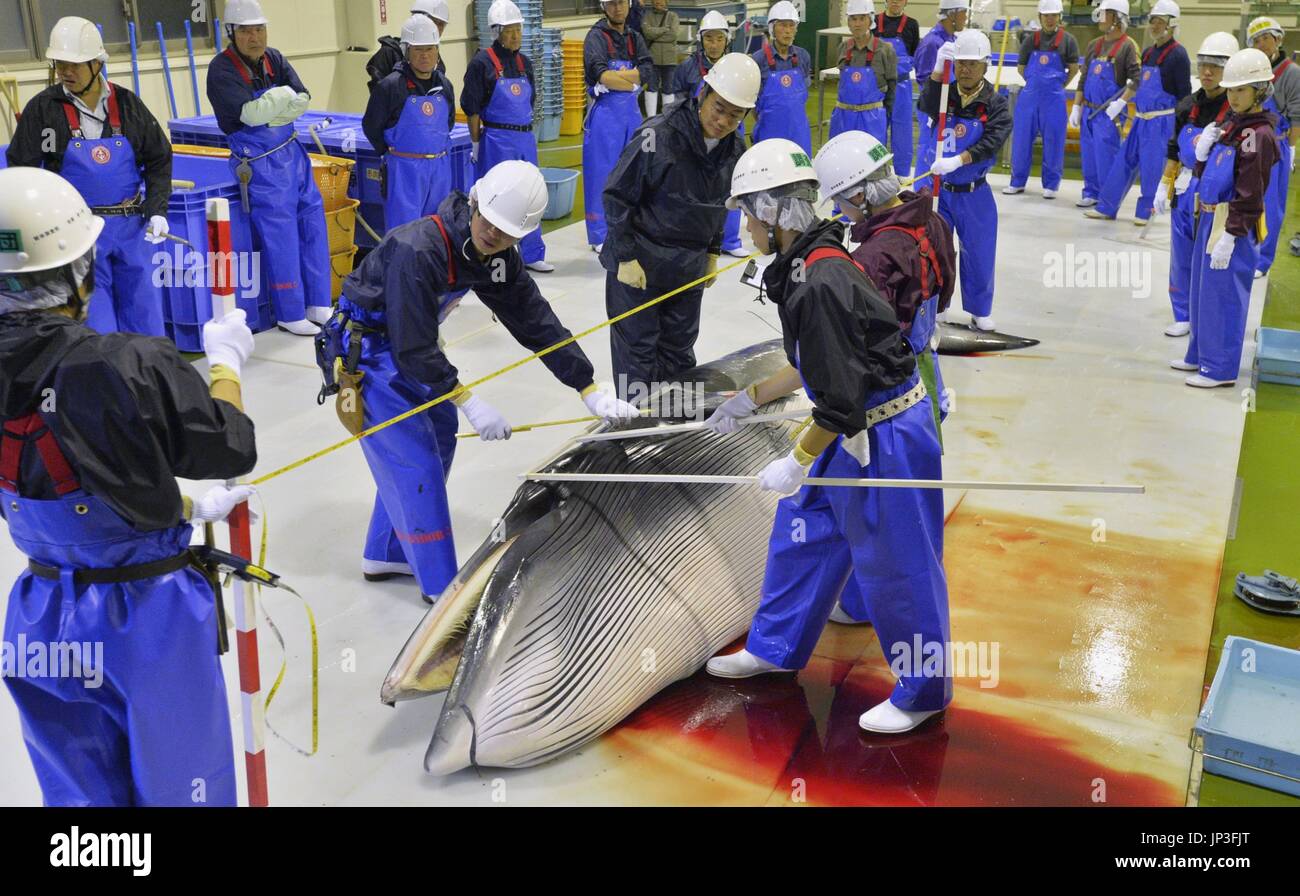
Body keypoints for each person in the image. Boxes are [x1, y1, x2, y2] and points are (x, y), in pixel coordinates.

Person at [0, 167, 258, 806]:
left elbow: (59, 478)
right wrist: (224, 366)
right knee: (184, 784)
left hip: (37, 617)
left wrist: (179, 503)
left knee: (80, 799)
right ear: (78, 273)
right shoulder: (128, 363)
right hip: (145, 616)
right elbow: (228, 444)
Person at [701, 139, 950, 736]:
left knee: (900, 565)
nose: (745, 226)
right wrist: (750, 398)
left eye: (748, 212)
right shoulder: (811, 263)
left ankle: (925, 689)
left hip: (882, 430)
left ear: (776, 212)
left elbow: (838, 403)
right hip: (853, 421)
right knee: (804, 531)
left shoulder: (819, 280)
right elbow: (821, 362)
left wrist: (794, 459)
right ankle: (775, 645)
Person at [321, 162, 638, 602]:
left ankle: (387, 553)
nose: (494, 236)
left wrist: (587, 386)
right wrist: (468, 400)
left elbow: (533, 319)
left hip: (410, 350)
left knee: (439, 438)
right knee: (416, 462)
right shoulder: (419, 249)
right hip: (371, 356)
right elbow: (413, 348)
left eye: (508, 234)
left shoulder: (493, 257)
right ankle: (443, 593)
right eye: (489, 223)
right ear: (475, 203)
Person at [813, 129, 954, 628]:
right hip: (925, 374)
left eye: (842, 205)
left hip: (886, 389)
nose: (842, 215)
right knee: (919, 497)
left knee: (878, 506)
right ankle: (901, 594)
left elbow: (857, 336)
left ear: (858, 195)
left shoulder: (875, 255)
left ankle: (864, 604)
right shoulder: (931, 221)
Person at [600, 54, 759, 395]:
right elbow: (616, 196)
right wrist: (625, 257)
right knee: (637, 361)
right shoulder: (657, 135)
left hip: (687, 268)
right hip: (638, 266)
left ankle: (671, 435)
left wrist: (713, 253)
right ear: (704, 93)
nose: (723, 120)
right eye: (719, 108)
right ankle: (635, 436)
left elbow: (719, 205)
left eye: (735, 114)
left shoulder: (733, 150)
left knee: (679, 356)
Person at [6, 17, 172, 338]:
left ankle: (150, 379)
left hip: (131, 228)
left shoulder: (128, 105)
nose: (66, 72)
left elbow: (159, 157)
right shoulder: (43, 109)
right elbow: (21, 170)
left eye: (75, 64)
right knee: (97, 326)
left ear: (97, 63)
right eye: (60, 64)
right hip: (78, 236)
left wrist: (157, 209)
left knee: (145, 314)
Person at [207, 0, 330, 336]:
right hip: (259, 163)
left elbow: (302, 98)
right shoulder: (222, 70)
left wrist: (274, 103)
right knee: (282, 234)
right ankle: (290, 312)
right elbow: (249, 115)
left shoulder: (274, 58)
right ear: (232, 33)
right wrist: (281, 99)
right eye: (246, 30)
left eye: (259, 29)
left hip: (293, 153)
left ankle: (319, 303)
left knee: (312, 222)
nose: (254, 36)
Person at [1171, 48, 1280, 388]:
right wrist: (1200, 158)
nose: (1232, 96)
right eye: (1230, 89)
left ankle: (1219, 369)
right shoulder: (1232, 125)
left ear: (1260, 91)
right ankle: (1198, 355)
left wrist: (1232, 234)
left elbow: (1250, 191)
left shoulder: (1258, 136)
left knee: (1223, 297)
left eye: (1240, 90)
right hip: (1208, 218)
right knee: (1202, 292)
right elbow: (1214, 171)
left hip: (1230, 224)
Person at [919, 29, 1011, 332]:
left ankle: (979, 309)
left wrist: (959, 160)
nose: (966, 69)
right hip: (940, 192)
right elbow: (926, 106)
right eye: (960, 63)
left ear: (985, 65)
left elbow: (992, 142)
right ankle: (938, 304)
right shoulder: (946, 93)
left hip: (974, 194)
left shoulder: (995, 105)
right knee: (937, 250)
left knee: (980, 252)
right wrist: (935, 75)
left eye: (972, 64)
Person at [1153, 32, 1236, 338]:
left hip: (1215, 194)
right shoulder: (1188, 105)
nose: (1208, 72)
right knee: (1181, 255)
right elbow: (1175, 148)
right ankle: (1183, 314)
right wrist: (1165, 183)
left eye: (1216, 66)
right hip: (1185, 189)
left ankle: (1207, 318)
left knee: (1208, 258)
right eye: (1203, 65)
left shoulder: (1236, 111)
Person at [462, 1, 552, 273]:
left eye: (518, 30)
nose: (515, 36)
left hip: (525, 139)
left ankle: (533, 252)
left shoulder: (525, 63)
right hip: (497, 140)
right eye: (509, 30)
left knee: (530, 194)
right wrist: (477, 144)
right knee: (496, 200)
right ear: (496, 31)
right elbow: (472, 108)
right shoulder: (481, 62)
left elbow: (531, 99)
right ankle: (490, 255)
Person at [1088, 0, 1190, 224]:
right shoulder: (1147, 52)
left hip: (1161, 123)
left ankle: (1145, 213)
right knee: (1122, 161)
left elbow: (1185, 94)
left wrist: (1181, 128)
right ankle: (1106, 206)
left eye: (1159, 22)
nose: (1154, 26)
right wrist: (1123, 102)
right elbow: (1137, 83)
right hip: (1141, 119)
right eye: (1152, 21)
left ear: (1172, 24)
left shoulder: (1179, 55)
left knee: (1152, 168)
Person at [363, 15, 456, 233]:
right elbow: (371, 126)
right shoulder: (390, 86)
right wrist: (392, 154)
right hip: (404, 171)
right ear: (407, 52)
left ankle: (434, 268)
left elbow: (448, 122)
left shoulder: (444, 84)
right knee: (403, 231)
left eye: (430, 49)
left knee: (438, 229)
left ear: (437, 51)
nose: (425, 56)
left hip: (440, 169)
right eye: (418, 50)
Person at [670, 12, 750, 258]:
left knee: (731, 183)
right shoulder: (687, 68)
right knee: (695, 187)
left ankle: (730, 239)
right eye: (709, 38)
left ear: (727, 40)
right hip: (696, 137)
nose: (713, 44)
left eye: (718, 38)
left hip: (730, 133)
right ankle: (697, 237)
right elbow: (679, 103)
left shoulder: (738, 65)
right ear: (701, 40)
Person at [582, 0, 654, 252]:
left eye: (621, 2)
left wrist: (619, 78)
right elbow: (600, 74)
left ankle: (630, 229)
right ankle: (600, 234)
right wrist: (631, 80)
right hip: (605, 117)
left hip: (633, 115)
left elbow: (647, 71)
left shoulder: (634, 36)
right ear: (604, 6)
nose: (617, 8)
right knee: (601, 176)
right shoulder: (596, 37)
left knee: (634, 175)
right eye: (612, 3)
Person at [1003, 0, 1079, 199]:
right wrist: (1034, 83)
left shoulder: (1068, 40)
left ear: (1059, 17)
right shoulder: (1030, 40)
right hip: (1029, 97)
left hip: (1054, 99)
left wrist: (1057, 85)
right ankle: (1017, 182)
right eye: (1046, 15)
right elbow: (1021, 68)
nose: (1050, 19)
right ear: (1040, 17)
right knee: (1021, 140)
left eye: (1054, 15)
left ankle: (1051, 185)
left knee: (1053, 140)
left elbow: (1073, 69)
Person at [1070, 0, 1140, 209]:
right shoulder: (1094, 45)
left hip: (1109, 114)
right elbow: (1083, 79)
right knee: (1089, 155)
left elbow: (1137, 80)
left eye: (1104, 13)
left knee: (1106, 157)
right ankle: (1090, 192)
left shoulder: (1128, 46)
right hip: (1088, 111)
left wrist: (1120, 103)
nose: (1099, 17)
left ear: (1117, 18)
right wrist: (1076, 105)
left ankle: (1108, 198)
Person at [1246, 17, 1300, 278]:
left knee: (1271, 204)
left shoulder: (1291, 73)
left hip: (1276, 145)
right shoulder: (1253, 70)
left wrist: (1291, 149)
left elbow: (1298, 116)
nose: (1261, 44)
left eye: (1266, 38)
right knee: (1246, 196)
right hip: (1250, 140)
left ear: (1278, 39)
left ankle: (1262, 260)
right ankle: (1246, 248)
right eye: (1256, 40)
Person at [829, 0, 897, 148]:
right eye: (853, 19)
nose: (857, 24)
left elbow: (892, 89)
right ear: (848, 22)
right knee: (841, 163)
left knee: (873, 166)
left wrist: (885, 118)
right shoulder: (842, 48)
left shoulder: (885, 50)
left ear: (870, 21)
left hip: (872, 122)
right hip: (843, 120)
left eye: (862, 18)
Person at [911, 0, 966, 180]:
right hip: (932, 111)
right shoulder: (932, 43)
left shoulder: (952, 40)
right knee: (929, 152)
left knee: (943, 153)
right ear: (952, 14)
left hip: (948, 108)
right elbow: (925, 81)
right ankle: (922, 196)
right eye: (963, 13)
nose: (966, 17)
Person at [750, 1, 813, 154]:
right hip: (769, 133)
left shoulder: (803, 56)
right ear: (772, 29)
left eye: (791, 26)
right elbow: (751, 102)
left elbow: (803, 95)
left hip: (799, 133)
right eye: (783, 26)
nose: (788, 31)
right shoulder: (758, 60)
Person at [876, 0, 921, 177]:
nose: (895, 1)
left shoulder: (911, 25)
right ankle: (875, 171)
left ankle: (902, 173)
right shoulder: (873, 21)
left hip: (902, 86)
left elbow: (915, 55)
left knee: (902, 130)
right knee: (876, 129)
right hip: (878, 86)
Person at [366, 0, 449, 94]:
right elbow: (379, 97)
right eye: (433, 22)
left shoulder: (436, 59)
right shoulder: (389, 54)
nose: (436, 28)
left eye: (441, 24)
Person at [639, 0, 680, 117]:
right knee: (651, 88)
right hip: (652, 59)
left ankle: (667, 117)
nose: (658, 2)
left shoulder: (673, 16)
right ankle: (651, 118)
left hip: (670, 59)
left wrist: (655, 32)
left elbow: (673, 35)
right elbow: (647, 33)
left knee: (669, 89)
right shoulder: (647, 16)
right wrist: (664, 29)